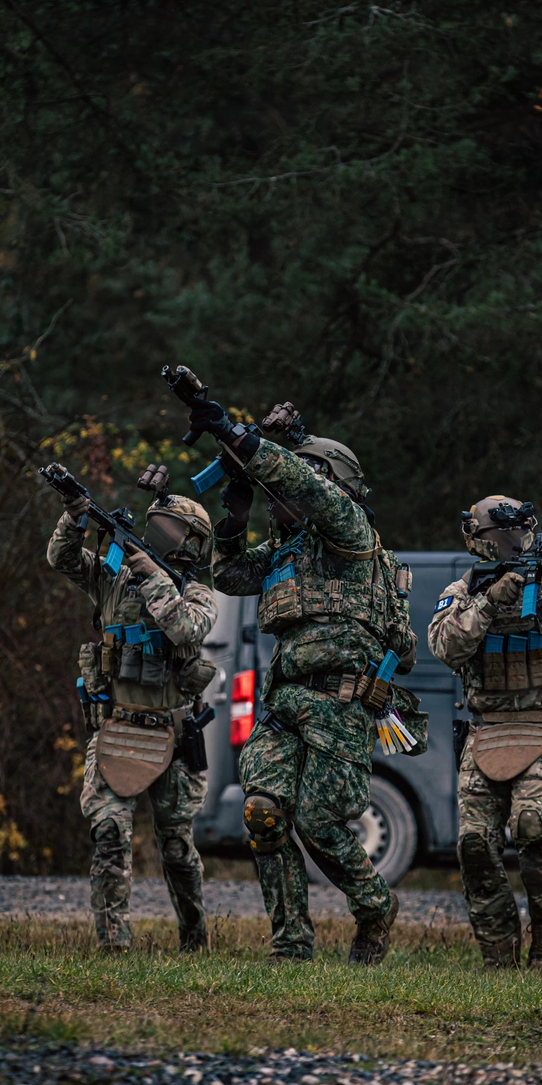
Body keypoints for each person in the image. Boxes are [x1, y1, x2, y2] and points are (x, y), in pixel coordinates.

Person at [187, 394, 420, 966]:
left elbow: (310, 489)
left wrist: (244, 440)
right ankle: (291, 945)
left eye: (291, 488)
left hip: (342, 702)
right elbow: (230, 575)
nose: (281, 500)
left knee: (319, 822)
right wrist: (234, 523)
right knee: (263, 811)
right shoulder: (290, 549)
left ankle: (373, 905)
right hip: (286, 699)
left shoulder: (351, 536)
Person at [428, 496, 542, 969]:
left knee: (532, 827)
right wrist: (491, 601)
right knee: (474, 845)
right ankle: (498, 959)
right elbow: (446, 647)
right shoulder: (466, 589)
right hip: (487, 730)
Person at [47, 465, 217, 953]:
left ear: (193, 544)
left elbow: (185, 628)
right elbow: (62, 559)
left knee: (177, 849)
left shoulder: (197, 593)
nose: (158, 537)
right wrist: (75, 517)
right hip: (117, 728)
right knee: (108, 834)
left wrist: (153, 577)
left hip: (174, 734)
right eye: (156, 527)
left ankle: (195, 939)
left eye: (171, 532)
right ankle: (113, 946)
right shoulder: (114, 579)